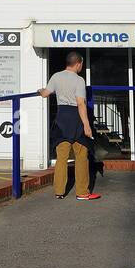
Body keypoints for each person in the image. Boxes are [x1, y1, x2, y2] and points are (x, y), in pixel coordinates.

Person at [36, 51, 101, 200]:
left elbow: (46, 93)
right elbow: (80, 103)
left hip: (61, 119)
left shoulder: (56, 76)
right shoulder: (79, 80)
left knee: (61, 158)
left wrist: (40, 91)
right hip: (76, 119)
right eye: (81, 64)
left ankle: (59, 192)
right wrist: (86, 125)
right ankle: (82, 192)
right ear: (78, 63)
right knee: (81, 157)